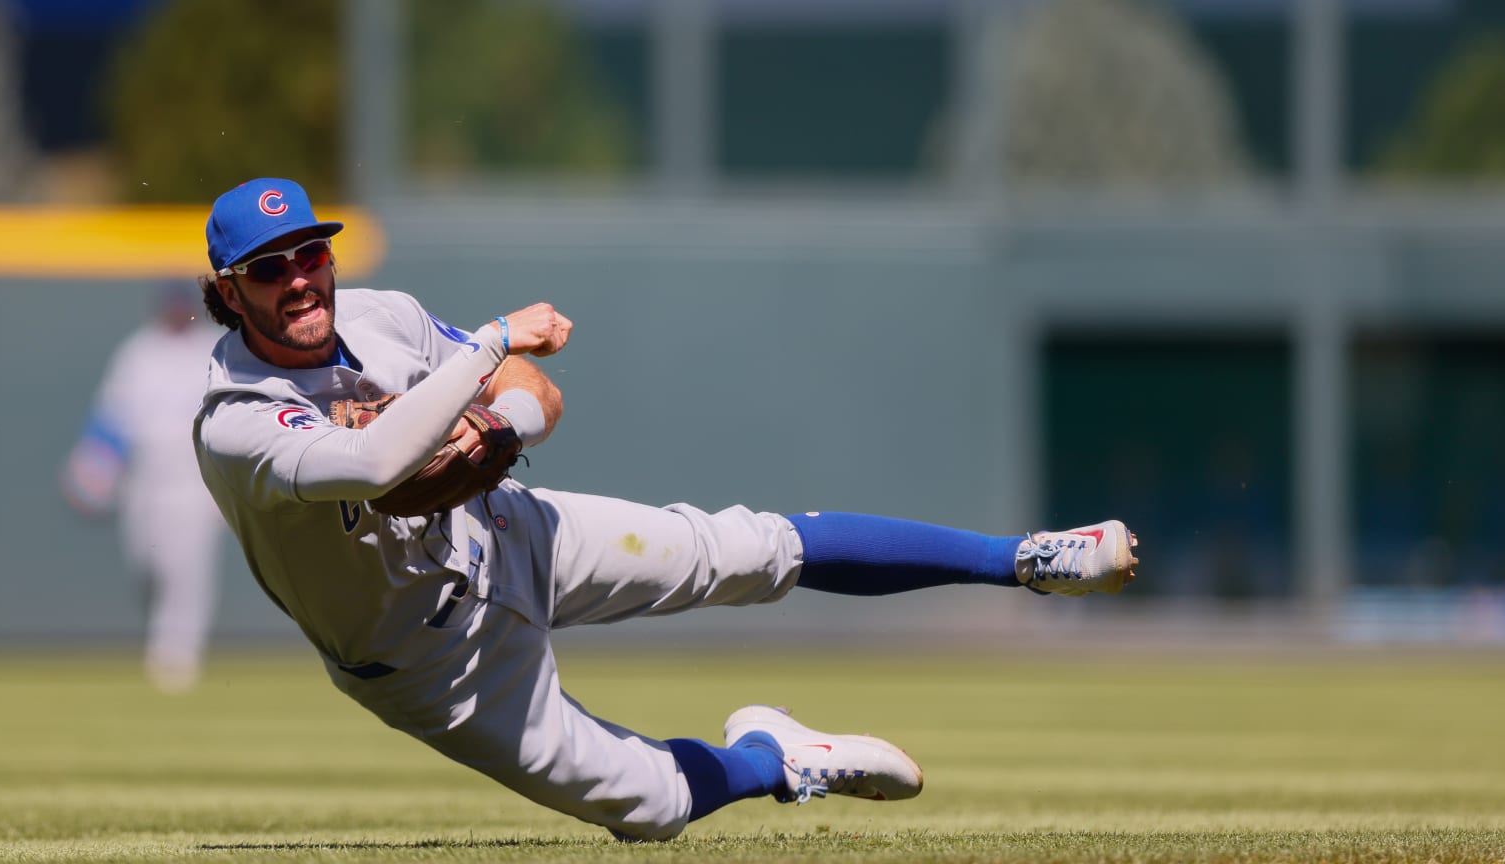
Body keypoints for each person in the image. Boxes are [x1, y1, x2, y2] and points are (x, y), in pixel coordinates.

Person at [193, 177, 1140, 841]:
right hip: (427, 659)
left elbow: (532, 387)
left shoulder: (381, 314)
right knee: (649, 809)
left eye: (310, 251)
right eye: (271, 270)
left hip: (507, 533)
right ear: (229, 291)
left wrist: (506, 431)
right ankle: (777, 758)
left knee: (750, 547)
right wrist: (488, 342)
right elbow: (374, 461)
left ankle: (1025, 560)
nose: (303, 279)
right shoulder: (233, 418)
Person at [64, 281, 226, 693]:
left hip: (195, 477)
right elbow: (113, 415)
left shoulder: (214, 350)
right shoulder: (140, 351)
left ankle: (176, 658)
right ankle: (166, 643)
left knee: (187, 572)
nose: (177, 315)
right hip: (146, 477)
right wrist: (92, 466)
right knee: (149, 567)